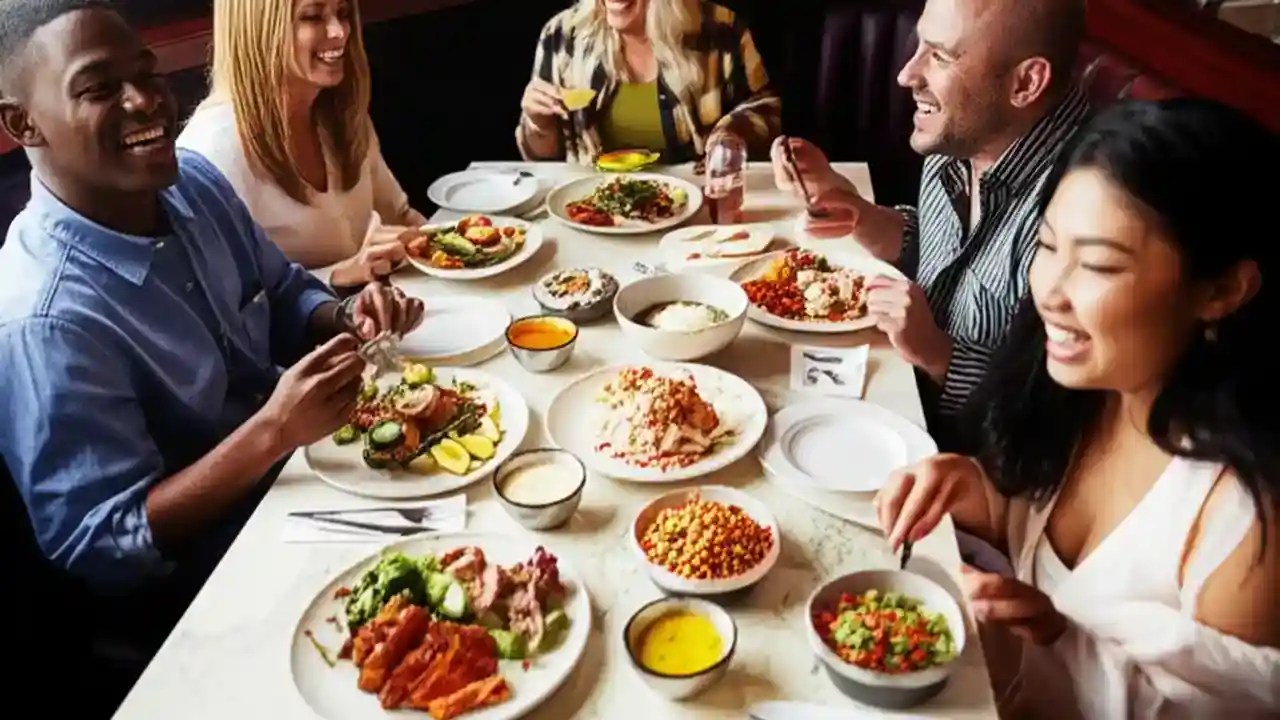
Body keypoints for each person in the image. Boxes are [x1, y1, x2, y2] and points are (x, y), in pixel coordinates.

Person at [0, 0, 422, 620]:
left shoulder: (189, 181)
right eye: (98, 88)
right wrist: (272, 432)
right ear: (23, 124)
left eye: (147, 75)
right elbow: (101, 542)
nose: (145, 101)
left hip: (306, 474)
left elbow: (281, 291)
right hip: (210, 579)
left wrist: (346, 315)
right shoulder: (44, 319)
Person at [875, 99, 1280, 718]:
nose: (1050, 293)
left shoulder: (1248, 526)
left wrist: (1052, 641)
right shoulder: (1089, 391)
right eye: (1045, 246)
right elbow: (1037, 535)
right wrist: (979, 495)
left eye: (1097, 265)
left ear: (1222, 290)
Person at [774, 0, 1088, 439]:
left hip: (975, 467)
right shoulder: (965, 134)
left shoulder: (1086, 207)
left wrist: (939, 354)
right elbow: (946, 253)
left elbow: (1066, 418)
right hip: (899, 397)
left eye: (940, 55)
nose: (907, 74)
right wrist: (862, 216)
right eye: (919, 43)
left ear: (1027, 82)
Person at [177, 0, 427, 289]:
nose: (339, 32)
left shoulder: (341, 113)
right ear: (257, 29)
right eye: (312, 17)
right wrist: (339, 275)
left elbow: (402, 217)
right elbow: (223, 307)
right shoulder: (211, 152)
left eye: (343, 13)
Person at [518, 0, 780, 164]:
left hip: (695, 213)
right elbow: (542, 160)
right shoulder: (562, 35)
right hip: (589, 213)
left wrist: (730, 135)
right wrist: (538, 125)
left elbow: (768, 111)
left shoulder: (722, 30)